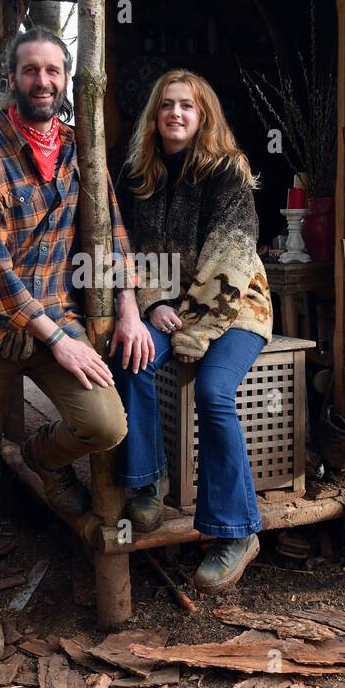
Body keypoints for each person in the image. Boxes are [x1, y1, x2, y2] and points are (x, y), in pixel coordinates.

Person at [0, 27, 154, 663]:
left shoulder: (81, 153)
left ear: (67, 80)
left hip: (53, 321)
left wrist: (129, 307)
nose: (44, 82)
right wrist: (59, 338)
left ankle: (39, 454)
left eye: (54, 71)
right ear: (11, 79)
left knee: (104, 422)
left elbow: (111, 231)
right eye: (30, 71)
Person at [112, 70, 272, 595]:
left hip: (236, 307)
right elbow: (136, 252)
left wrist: (199, 332)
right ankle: (148, 481)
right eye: (166, 106)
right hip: (171, 308)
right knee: (132, 355)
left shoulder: (228, 172)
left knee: (213, 391)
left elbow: (231, 258)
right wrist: (153, 303)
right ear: (154, 118)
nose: (176, 114)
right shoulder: (142, 176)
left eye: (187, 106)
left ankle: (238, 532)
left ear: (203, 116)